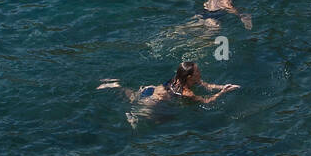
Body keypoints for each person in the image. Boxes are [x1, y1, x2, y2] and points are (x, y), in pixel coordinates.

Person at [98, 61, 239, 106]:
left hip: (151, 89)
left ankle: (116, 85)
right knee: (137, 112)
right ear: (190, 76)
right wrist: (223, 93)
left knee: (131, 95)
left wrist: (222, 86)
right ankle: (117, 89)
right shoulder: (186, 92)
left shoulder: (180, 77)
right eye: (197, 71)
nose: (200, 72)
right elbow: (207, 101)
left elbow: (207, 85)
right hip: (152, 100)